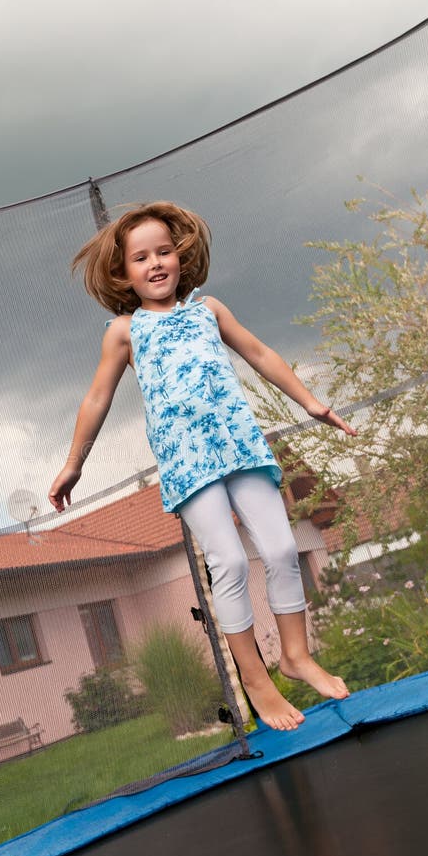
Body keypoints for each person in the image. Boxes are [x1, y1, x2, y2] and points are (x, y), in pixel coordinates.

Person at [49, 201, 356, 731]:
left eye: (163, 251)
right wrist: (74, 464)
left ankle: (296, 656)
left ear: (180, 256)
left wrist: (311, 403)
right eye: (141, 258)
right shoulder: (125, 331)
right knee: (230, 563)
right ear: (123, 273)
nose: (155, 263)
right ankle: (255, 680)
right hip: (187, 462)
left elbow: (259, 353)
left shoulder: (209, 309)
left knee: (283, 548)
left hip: (240, 445)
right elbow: (97, 398)